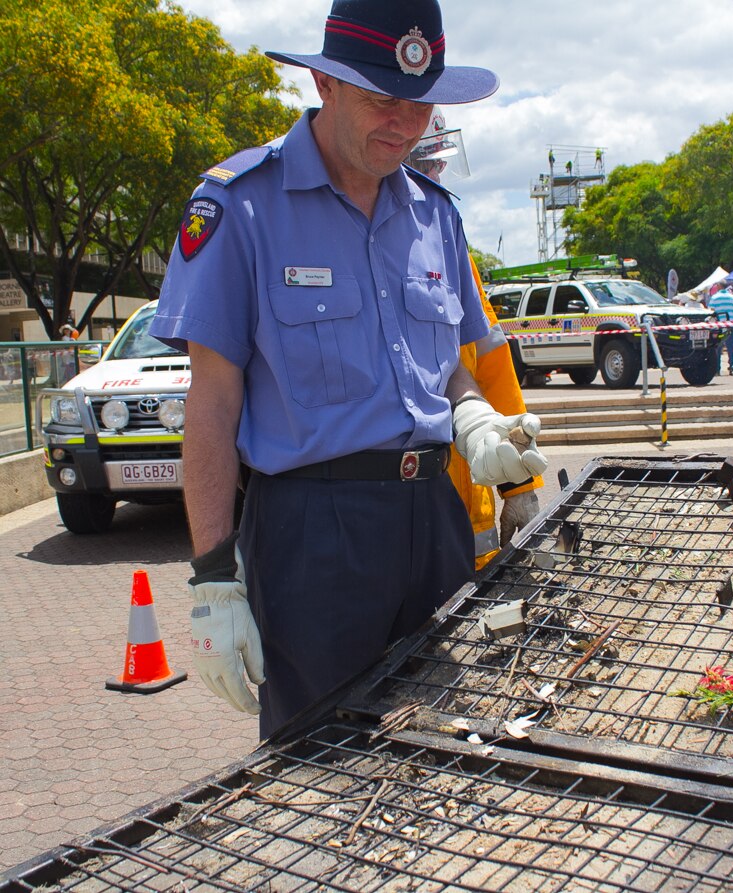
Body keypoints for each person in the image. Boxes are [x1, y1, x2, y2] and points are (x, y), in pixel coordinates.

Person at [150, 0, 547, 739]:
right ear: (325, 85)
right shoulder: (241, 206)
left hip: (435, 517)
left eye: (421, 106)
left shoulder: (437, 214)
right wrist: (211, 577)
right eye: (383, 100)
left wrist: (472, 418)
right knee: (322, 774)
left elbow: (454, 368)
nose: (405, 124)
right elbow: (211, 404)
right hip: (312, 536)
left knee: (454, 745)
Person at [407, 109, 543, 567]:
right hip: (409, 504)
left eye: (440, 159)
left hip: (470, 495)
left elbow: (492, 362)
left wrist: (519, 485)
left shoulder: (446, 239)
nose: (438, 170)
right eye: (428, 159)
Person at [707, 281, 733, 375]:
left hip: (719, 325)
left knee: (718, 347)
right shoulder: (732, 297)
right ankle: (731, 366)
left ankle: (717, 369)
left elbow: (711, 311)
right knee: (730, 346)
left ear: (719, 286)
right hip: (730, 324)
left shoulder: (715, 297)